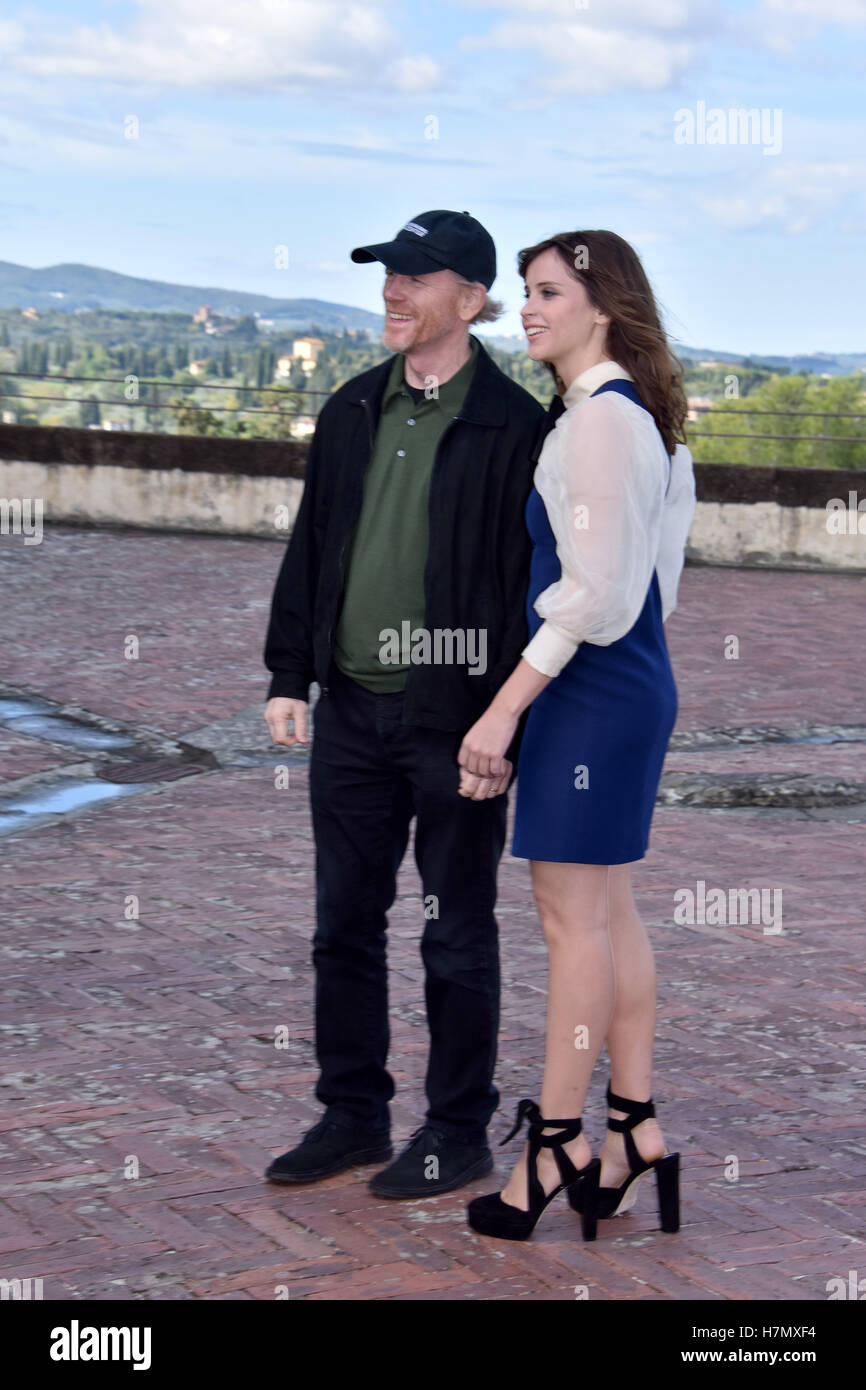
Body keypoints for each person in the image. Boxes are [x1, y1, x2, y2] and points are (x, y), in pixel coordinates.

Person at [262, 210, 545, 1198]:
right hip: (346, 713)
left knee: (453, 928)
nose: (391, 290)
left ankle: (456, 1128)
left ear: (468, 301)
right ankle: (351, 1116)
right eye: (387, 272)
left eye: (414, 277)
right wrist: (286, 675)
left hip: (453, 722)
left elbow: (528, 591)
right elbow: (313, 546)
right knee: (342, 920)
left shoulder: (515, 429)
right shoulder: (351, 409)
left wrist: (501, 723)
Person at [456, 230, 696, 1241]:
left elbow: (593, 593)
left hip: (588, 687)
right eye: (524, 291)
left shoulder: (599, 424)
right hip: (626, 679)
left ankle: (553, 1142)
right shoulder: (632, 417)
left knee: (571, 925)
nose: (529, 308)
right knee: (608, 915)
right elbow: (658, 585)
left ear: (601, 305)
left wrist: (504, 706)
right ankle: (631, 1131)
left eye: (547, 291)